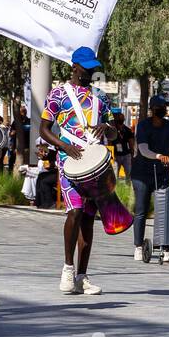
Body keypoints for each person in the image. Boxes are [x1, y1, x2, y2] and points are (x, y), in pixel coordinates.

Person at [39, 47, 112, 296]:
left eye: (93, 67)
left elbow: (114, 131)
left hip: (94, 164)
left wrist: (106, 127)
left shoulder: (100, 96)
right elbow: (44, 129)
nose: (90, 71)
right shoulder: (58, 94)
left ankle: (82, 276)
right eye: (86, 67)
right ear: (74, 67)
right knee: (76, 211)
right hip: (68, 161)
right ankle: (67, 268)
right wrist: (63, 146)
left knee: (89, 218)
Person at [132, 95, 169, 262]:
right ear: (153, 109)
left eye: (165, 107)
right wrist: (158, 156)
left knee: (163, 211)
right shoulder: (143, 126)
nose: (164, 110)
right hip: (142, 174)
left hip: (162, 173)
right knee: (141, 211)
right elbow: (143, 149)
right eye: (161, 107)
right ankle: (138, 246)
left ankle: (164, 247)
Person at [106, 109, 134, 181]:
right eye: (119, 118)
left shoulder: (127, 130)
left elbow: (131, 143)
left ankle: (129, 186)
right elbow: (110, 143)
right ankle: (116, 188)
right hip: (116, 155)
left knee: (129, 173)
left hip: (126, 155)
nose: (120, 120)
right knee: (115, 174)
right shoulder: (112, 131)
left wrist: (132, 155)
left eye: (122, 118)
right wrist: (111, 156)